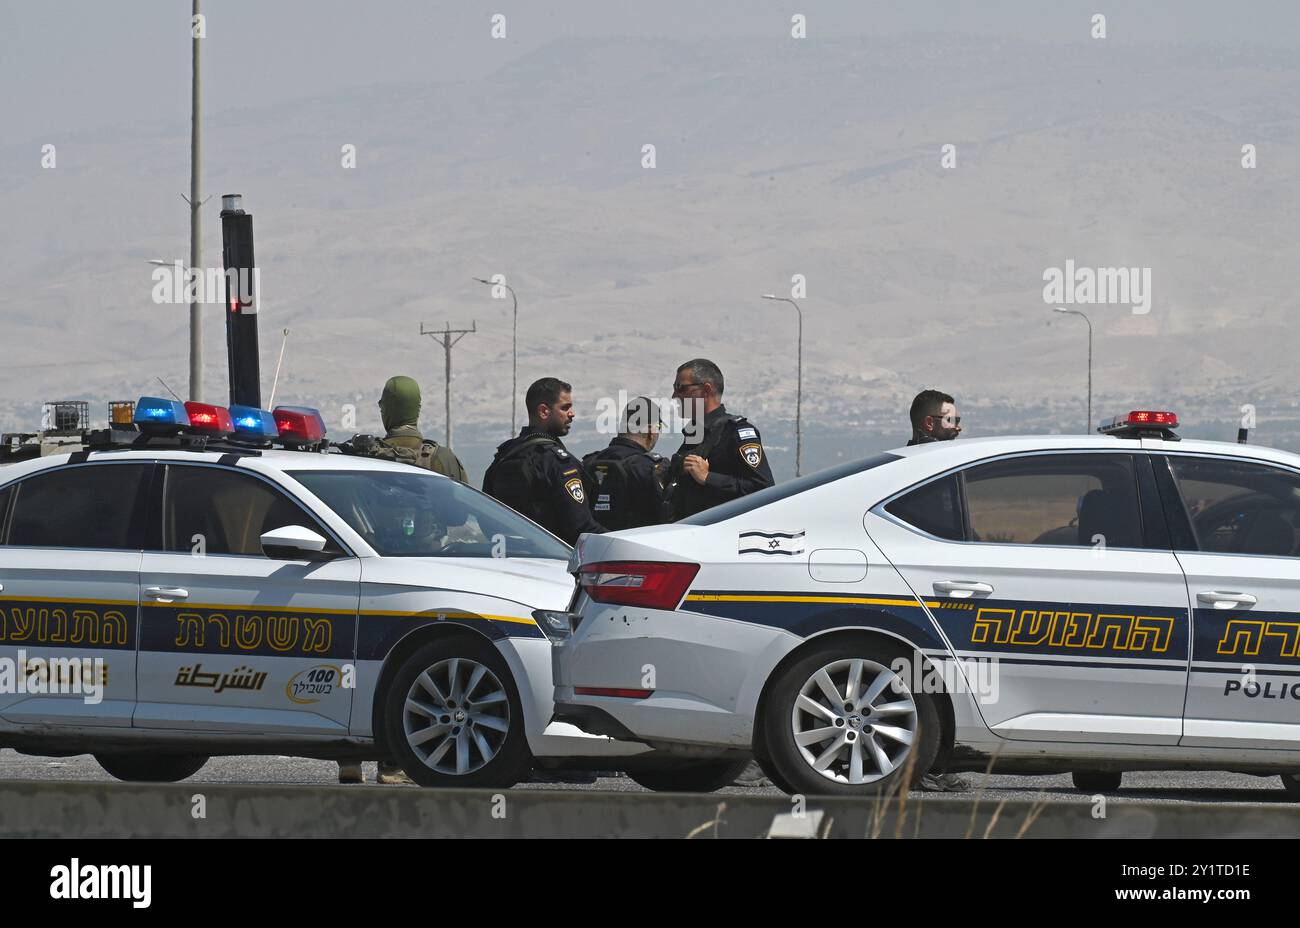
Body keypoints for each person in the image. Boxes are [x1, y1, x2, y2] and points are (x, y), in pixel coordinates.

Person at [337, 375, 469, 786]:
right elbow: (459, 516)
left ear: (386, 410)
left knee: (360, 659)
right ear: (417, 409)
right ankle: (395, 762)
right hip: (429, 574)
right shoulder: (441, 458)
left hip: (371, 569)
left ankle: (348, 758)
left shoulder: (363, 456)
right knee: (414, 663)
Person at [903, 389, 971, 793]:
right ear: (929, 424)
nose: (958, 427)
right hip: (935, 584)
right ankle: (926, 765)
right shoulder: (930, 464)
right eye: (951, 421)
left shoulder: (912, 461)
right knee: (934, 681)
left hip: (934, 578)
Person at [483, 377, 607, 545]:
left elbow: (486, 521)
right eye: (565, 408)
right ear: (543, 411)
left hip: (510, 559)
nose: (572, 414)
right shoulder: (557, 463)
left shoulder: (504, 457)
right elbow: (581, 527)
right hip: (554, 562)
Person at [664, 359, 774, 521]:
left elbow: (763, 488)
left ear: (705, 390)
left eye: (681, 388)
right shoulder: (694, 435)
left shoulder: (736, 433)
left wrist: (708, 478)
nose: (674, 395)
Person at [582, 397, 667, 530]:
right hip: (636, 548)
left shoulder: (588, 463)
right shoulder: (651, 468)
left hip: (592, 547)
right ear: (652, 430)